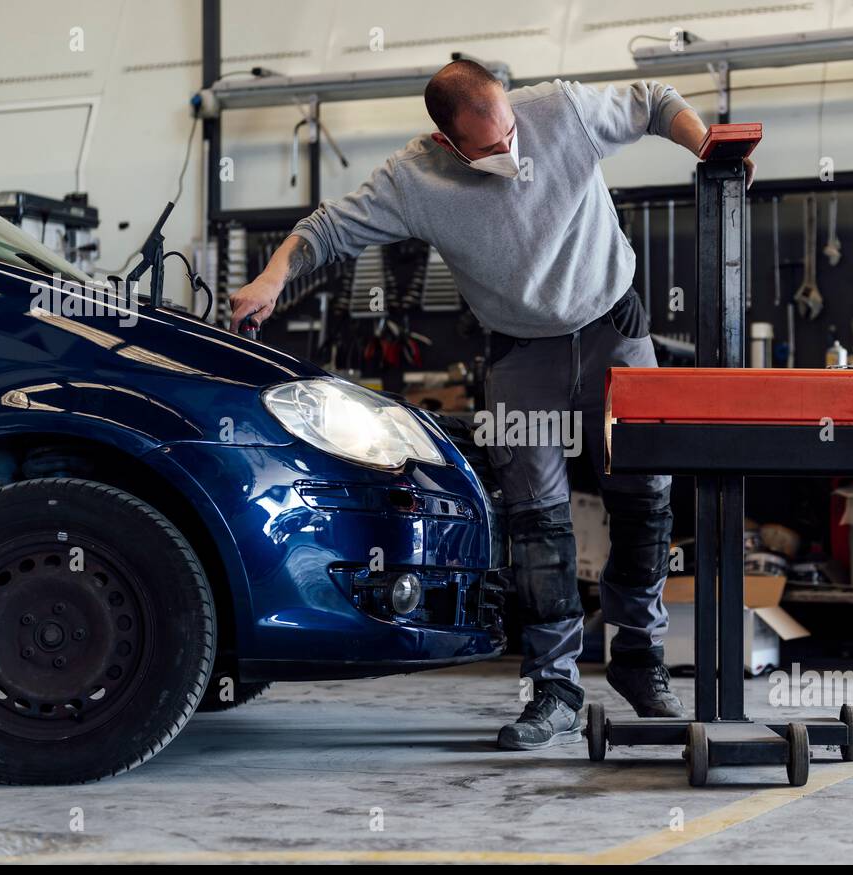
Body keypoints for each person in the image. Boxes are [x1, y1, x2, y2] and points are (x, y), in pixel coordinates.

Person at [229, 60, 753, 750]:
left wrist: (703, 144)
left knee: (645, 501)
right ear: (448, 144)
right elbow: (327, 231)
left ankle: (639, 660)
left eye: (510, 133)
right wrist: (271, 276)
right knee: (537, 522)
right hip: (521, 354)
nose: (511, 152)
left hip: (611, 330)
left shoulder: (560, 111)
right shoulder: (415, 180)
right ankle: (555, 688)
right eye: (490, 148)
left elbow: (654, 100)